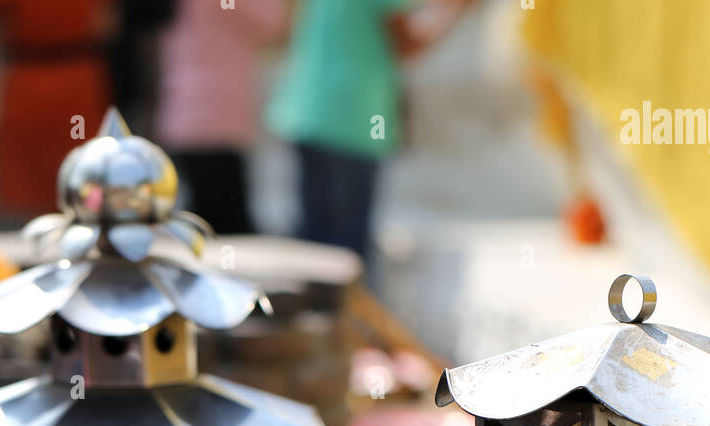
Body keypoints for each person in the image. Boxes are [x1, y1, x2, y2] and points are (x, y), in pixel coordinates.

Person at [267, 0, 475, 261]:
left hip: (310, 110)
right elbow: (409, 45)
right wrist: (453, 10)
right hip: (353, 118)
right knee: (348, 251)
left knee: (315, 243)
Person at [0, 0, 114, 217]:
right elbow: (108, 22)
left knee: (46, 174)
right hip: (73, 70)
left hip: (33, 72)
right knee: (82, 167)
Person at [155, 0, 289, 235]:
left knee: (204, 222)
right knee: (229, 229)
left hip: (186, 114)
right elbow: (275, 24)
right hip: (214, 118)